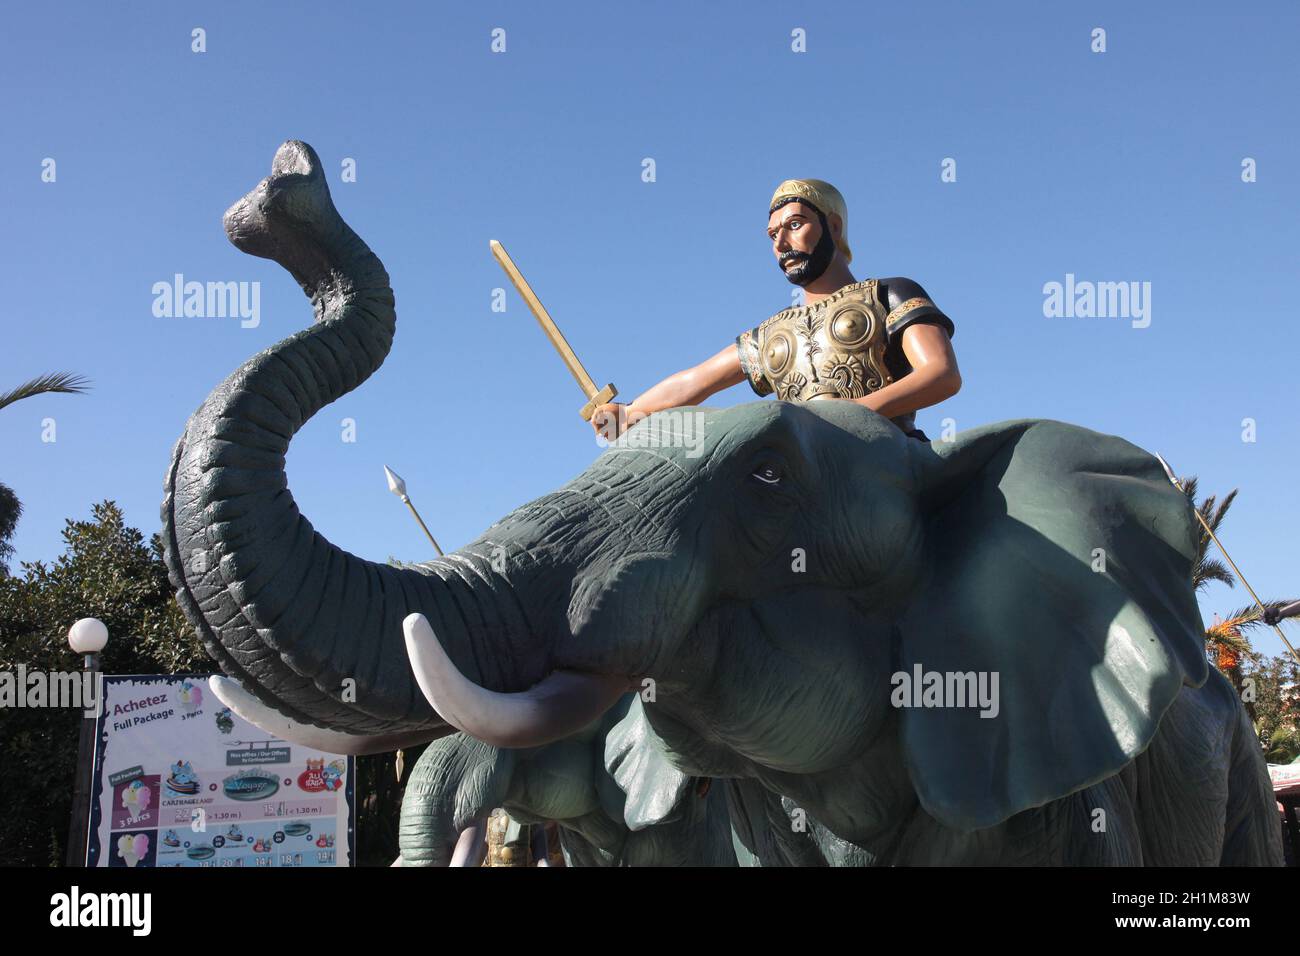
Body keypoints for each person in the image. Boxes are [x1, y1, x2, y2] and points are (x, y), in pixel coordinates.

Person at [590, 178, 961, 442]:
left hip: (891, 458)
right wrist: (631, 412)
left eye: (795, 225)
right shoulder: (772, 335)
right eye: (772, 236)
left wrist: (851, 415)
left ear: (833, 226)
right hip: (804, 475)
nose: (781, 243)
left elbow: (941, 374)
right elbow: (697, 381)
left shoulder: (889, 294)